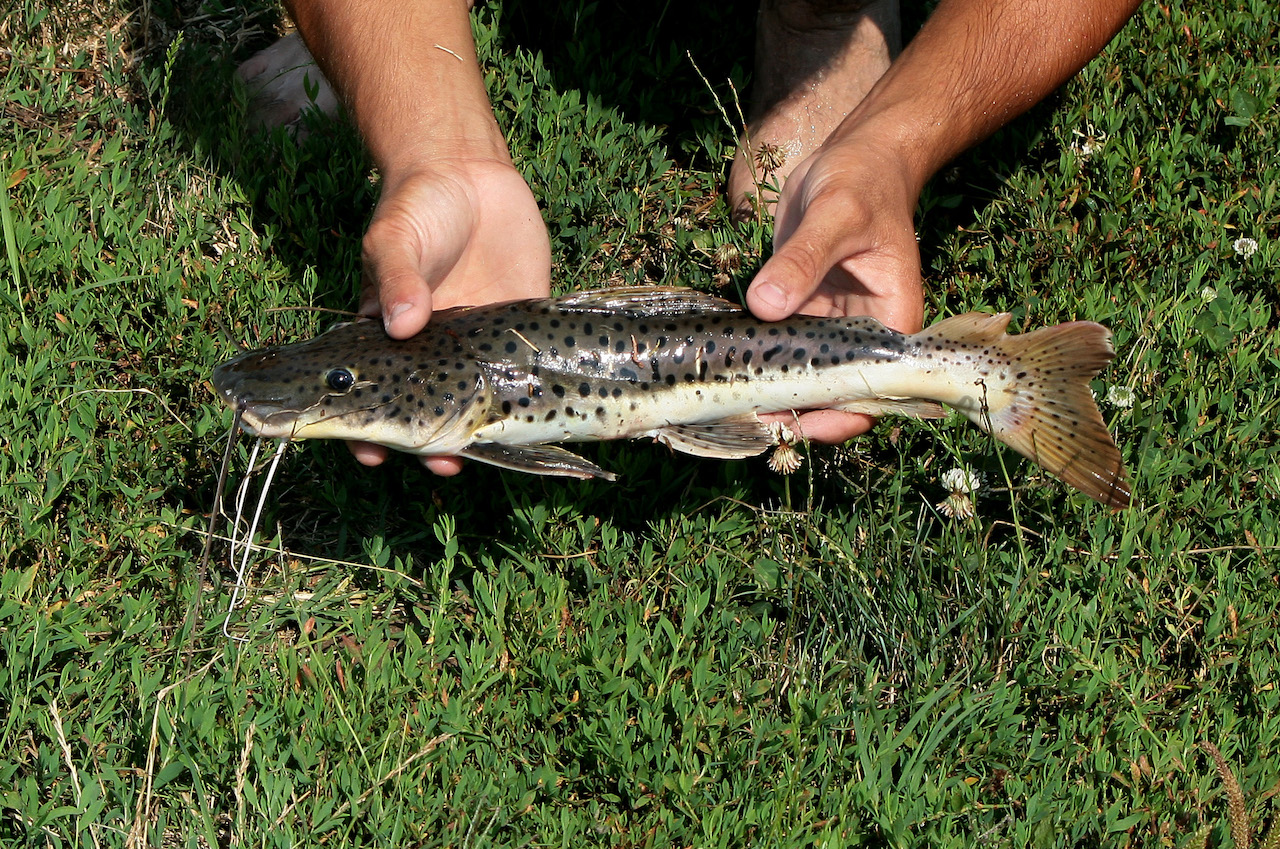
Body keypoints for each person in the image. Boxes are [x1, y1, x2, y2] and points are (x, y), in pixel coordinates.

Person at [238, 0, 1141, 476]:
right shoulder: (466, 391)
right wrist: (434, 150)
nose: (338, 389)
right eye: (341, 379)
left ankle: (829, 10)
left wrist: (895, 151)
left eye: (344, 385)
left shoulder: (474, 399)